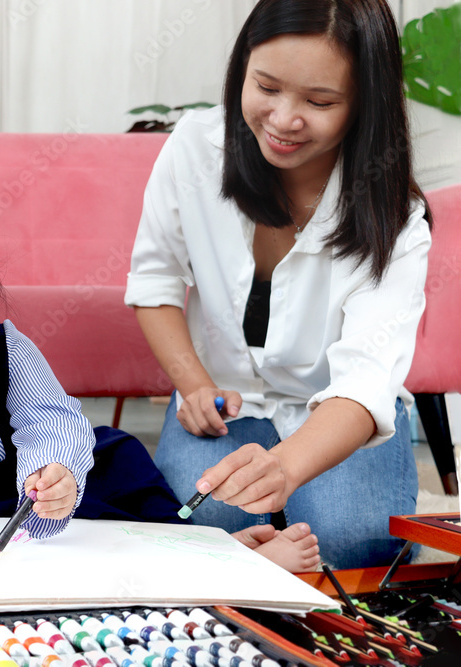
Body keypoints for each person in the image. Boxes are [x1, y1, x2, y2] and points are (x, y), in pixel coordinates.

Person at [0, 197, 321, 572]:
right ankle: (224, 566)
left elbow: (50, 421)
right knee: (71, 570)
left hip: (36, 498)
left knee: (121, 508)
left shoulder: (7, 349)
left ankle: (218, 560)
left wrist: (53, 473)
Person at [125, 0, 431, 571]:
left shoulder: (397, 218)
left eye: (319, 102)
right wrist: (194, 385)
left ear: (365, 104)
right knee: (203, 529)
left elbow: (364, 384)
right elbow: (155, 280)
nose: (284, 119)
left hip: (339, 411)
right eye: (266, 86)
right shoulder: (196, 146)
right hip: (227, 397)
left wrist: (286, 468)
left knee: (348, 544)